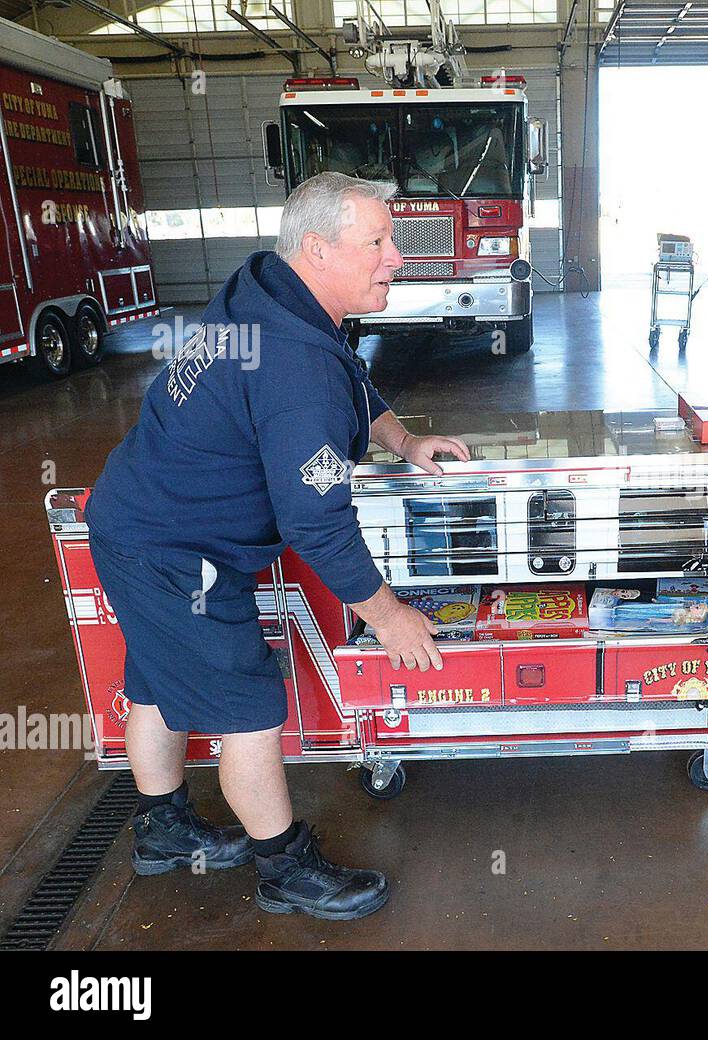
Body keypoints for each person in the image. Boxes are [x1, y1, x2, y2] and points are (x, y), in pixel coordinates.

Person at [86, 172, 470, 921]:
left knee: (160, 685)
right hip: (177, 549)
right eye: (378, 242)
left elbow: (350, 378)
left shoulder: (266, 286)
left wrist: (401, 438)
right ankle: (284, 870)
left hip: (138, 517)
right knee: (248, 710)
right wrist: (388, 615)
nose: (398, 256)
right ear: (318, 249)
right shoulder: (296, 370)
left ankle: (163, 831)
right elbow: (316, 522)